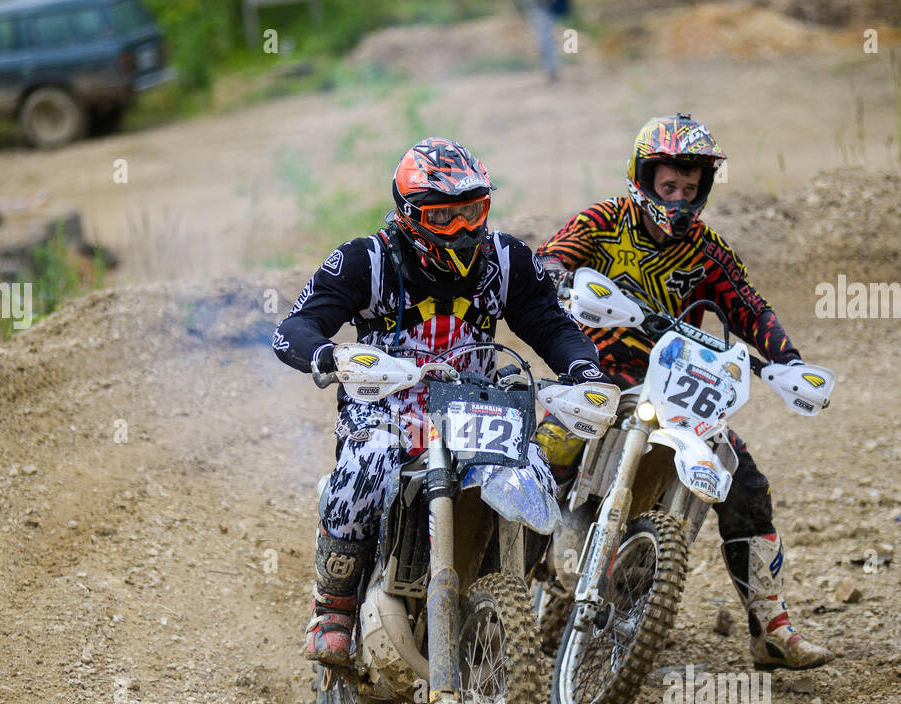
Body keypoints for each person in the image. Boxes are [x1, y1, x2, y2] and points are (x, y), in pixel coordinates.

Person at [272, 136, 607, 667]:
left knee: (536, 470)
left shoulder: (505, 258)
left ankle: (506, 590)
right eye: (445, 216)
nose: (464, 228)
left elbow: (550, 323)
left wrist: (584, 373)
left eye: (474, 210)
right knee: (366, 465)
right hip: (386, 404)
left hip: (476, 406)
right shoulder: (368, 259)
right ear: (410, 215)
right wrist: (332, 359)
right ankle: (333, 607)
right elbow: (294, 327)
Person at [534, 112, 833, 670]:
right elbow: (551, 256)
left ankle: (771, 625)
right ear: (643, 178)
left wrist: (788, 360)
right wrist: (554, 274)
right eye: (668, 185)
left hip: (677, 383)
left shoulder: (706, 249)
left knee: (743, 481)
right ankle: (513, 569)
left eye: (689, 189)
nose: (677, 198)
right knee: (551, 445)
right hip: (597, 371)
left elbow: (747, 306)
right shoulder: (602, 221)